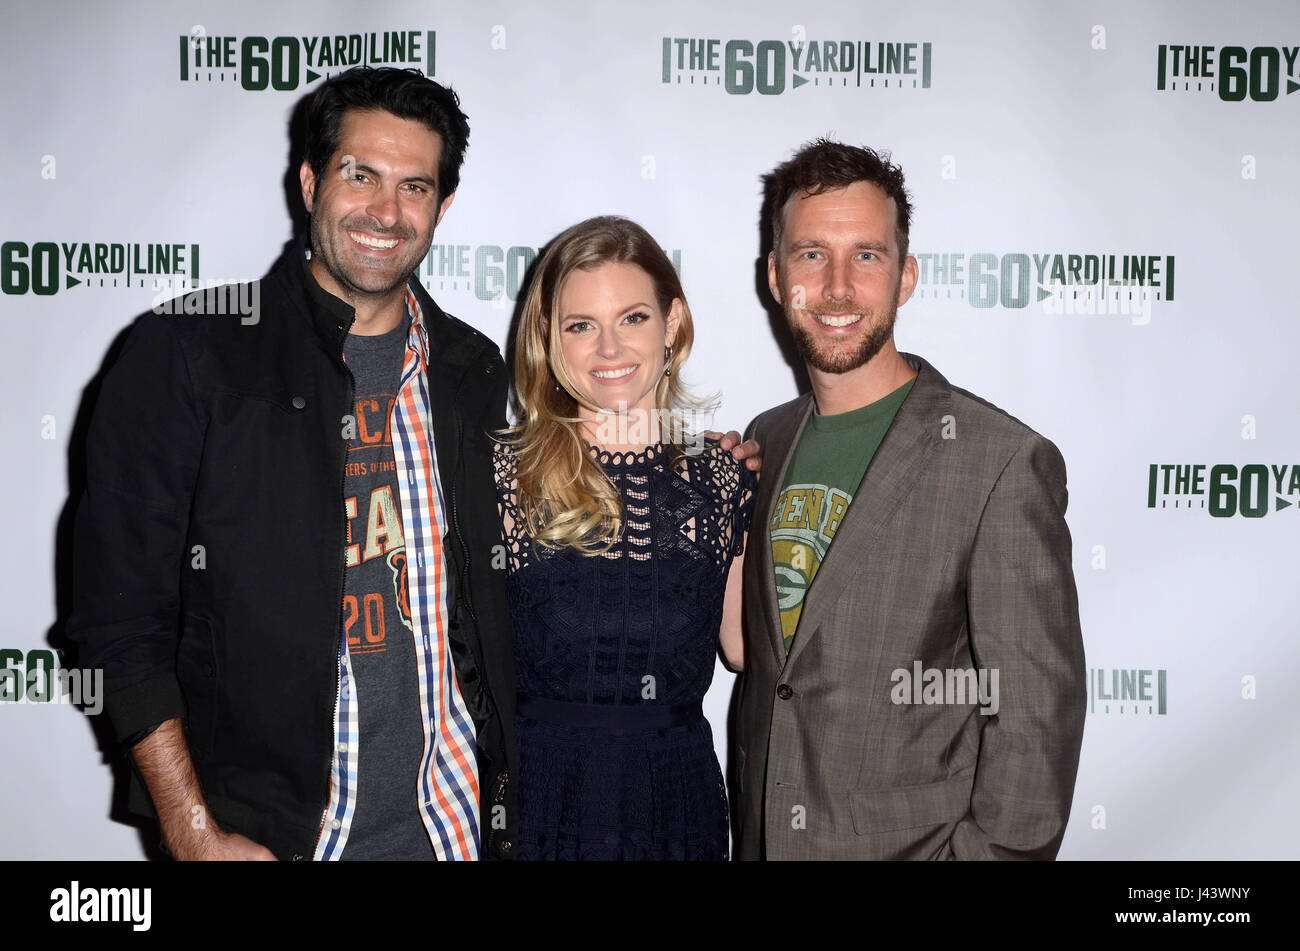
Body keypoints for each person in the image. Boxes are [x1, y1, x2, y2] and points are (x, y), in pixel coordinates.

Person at [67, 66, 519, 860]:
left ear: (443, 207)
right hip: (273, 841)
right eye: (359, 175)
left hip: (454, 832)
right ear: (311, 182)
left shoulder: (472, 371)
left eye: (414, 186)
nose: (385, 211)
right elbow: (117, 623)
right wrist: (192, 829)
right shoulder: (187, 356)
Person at [734, 139, 1086, 860]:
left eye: (866, 255)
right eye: (810, 255)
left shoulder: (999, 462)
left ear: (906, 277)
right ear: (775, 276)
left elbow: (1034, 722)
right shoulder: (765, 439)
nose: (837, 287)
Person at [493, 216, 758, 860]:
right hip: (536, 805)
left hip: (676, 804)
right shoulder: (501, 476)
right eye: (581, 326)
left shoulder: (722, 478)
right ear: (549, 341)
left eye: (632, 318)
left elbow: (747, 650)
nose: (609, 350)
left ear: (672, 325)